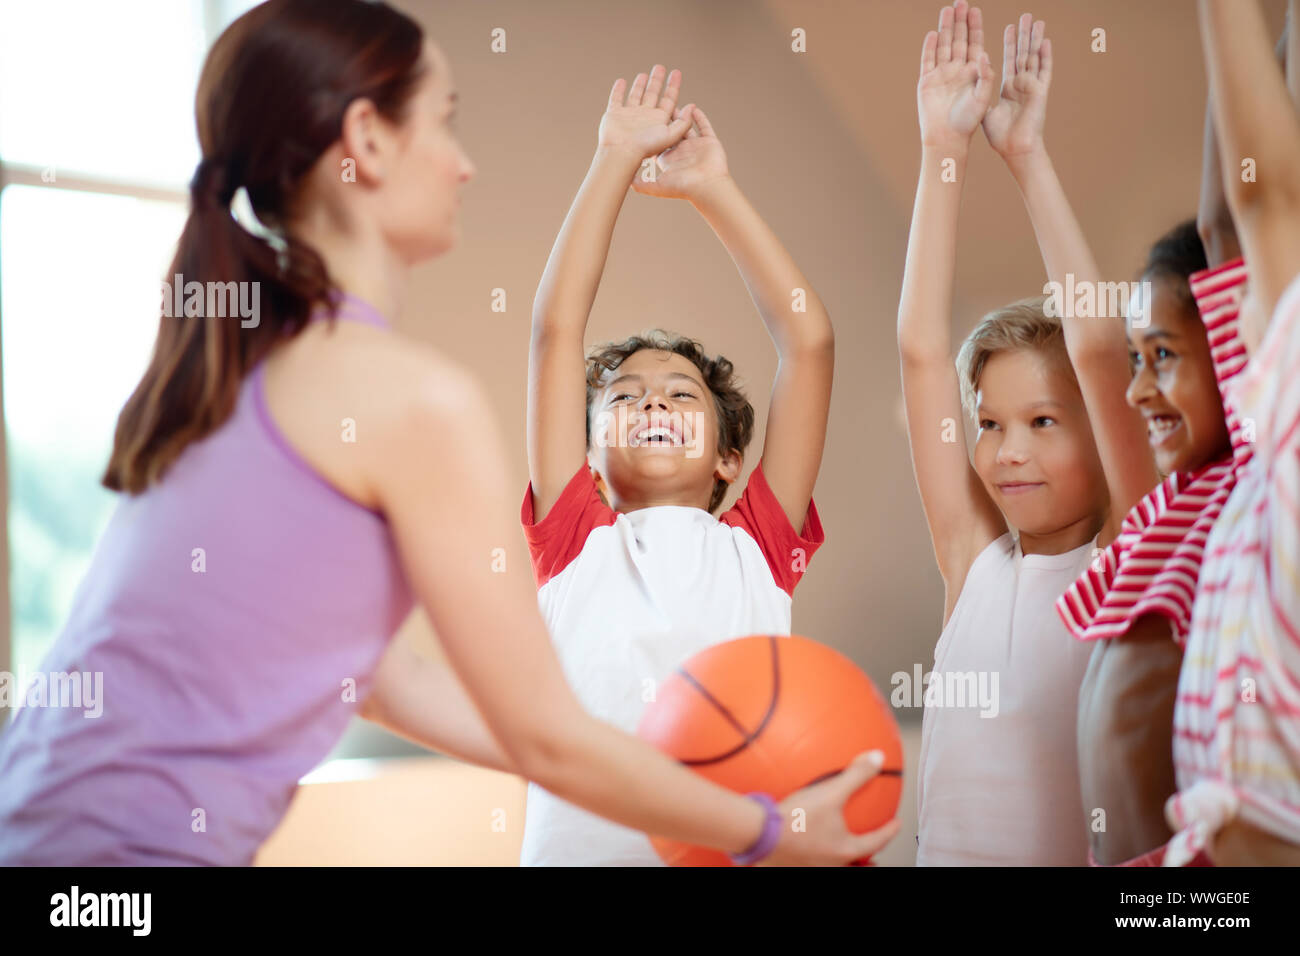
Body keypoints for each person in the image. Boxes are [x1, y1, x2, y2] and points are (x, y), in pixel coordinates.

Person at [0, 0, 896, 867]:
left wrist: (669, 774)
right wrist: (765, 827)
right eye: (445, 121)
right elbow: (544, 734)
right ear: (368, 140)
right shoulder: (408, 400)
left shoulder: (249, 369)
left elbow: (391, 683)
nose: (464, 164)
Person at [517, 65, 841, 865]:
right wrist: (612, 159)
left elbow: (810, 342)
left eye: (680, 396)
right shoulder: (573, 540)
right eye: (623, 397)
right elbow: (556, 331)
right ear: (589, 457)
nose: (653, 405)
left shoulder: (757, 548)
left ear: (731, 457)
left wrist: (712, 190)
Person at [900, 2, 1098, 865]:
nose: (1006, 450)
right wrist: (943, 155)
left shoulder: (1127, 559)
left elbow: (1096, 337)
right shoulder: (973, 557)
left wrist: (1028, 158)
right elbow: (918, 349)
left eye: (1043, 422)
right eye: (988, 424)